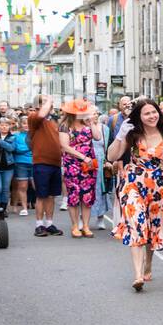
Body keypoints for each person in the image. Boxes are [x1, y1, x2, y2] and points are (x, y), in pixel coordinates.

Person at [107, 98, 163, 290]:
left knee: (152, 228)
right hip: (133, 182)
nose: (152, 116)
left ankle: (148, 264)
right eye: (147, 113)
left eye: (154, 112)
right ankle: (138, 275)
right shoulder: (132, 134)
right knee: (137, 223)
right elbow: (111, 156)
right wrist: (120, 136)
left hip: (158, 186)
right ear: (139, 117)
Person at [26, 95, 67, 236]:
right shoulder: (33, 117)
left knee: (51, 195)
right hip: (41, 162)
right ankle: (39, 225)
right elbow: (42, 113)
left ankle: (49, 223)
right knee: (41, 195)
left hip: (55, 162)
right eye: (44, 103)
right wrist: (48, 100)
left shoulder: (53, 121)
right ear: (38, 105)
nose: (49, 105)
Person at [59, 99, 100, 237]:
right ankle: (75, 226)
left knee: (87, 195)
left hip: (88, 165)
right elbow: (64, 146)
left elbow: (98, 137)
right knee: (74, 195)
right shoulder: (65, 126)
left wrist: (93, 122)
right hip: (73, 164)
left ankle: (86, 226)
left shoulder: (88, 124)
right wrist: (83, 157)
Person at [10, 113, 33, 215]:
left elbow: (39, 148)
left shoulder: (35, 134)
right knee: (22, 186)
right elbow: (16, 149)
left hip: (35, 162)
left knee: (37, 185)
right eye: (24, 123)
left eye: (28, 123)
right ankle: (24, 208)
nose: (26, 125)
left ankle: (42, 207)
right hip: (20, 163)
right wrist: (30, 148)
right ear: (20, 125)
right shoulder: (16, 136)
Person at [0, 117, 18, 208]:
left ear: (10, 126)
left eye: (6, 125)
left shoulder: (13, 137)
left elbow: (11, 148)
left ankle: (3, 208)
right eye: (2, 125)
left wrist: (0, 141)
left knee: (5, 188)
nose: (4, 127)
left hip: (8, 166)